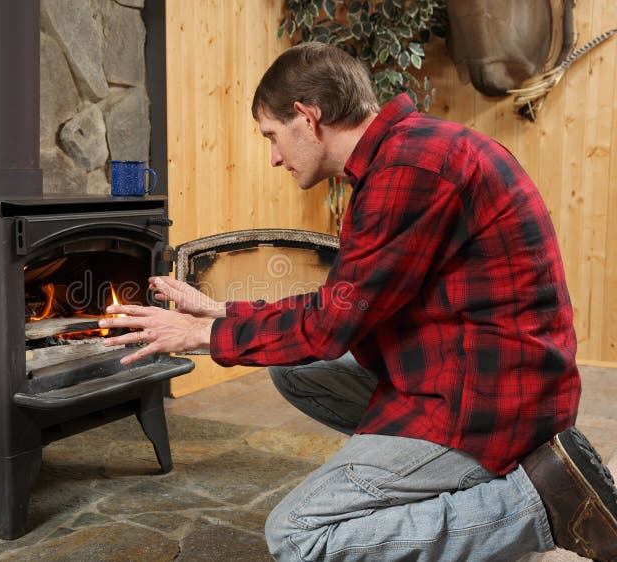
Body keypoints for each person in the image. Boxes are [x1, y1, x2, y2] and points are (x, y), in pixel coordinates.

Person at [99, 42, 617, 561]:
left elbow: (330, 326)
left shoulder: (411, 169)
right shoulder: (408, 152)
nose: (274, 157)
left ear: (307, 118)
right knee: (295, 371)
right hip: (473, 372)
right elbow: (345, 301)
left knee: (299, 535)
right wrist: (222, 312)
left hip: (488, 405)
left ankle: (536, 504)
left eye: (272, 136)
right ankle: (450, 484)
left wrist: (203, 335)